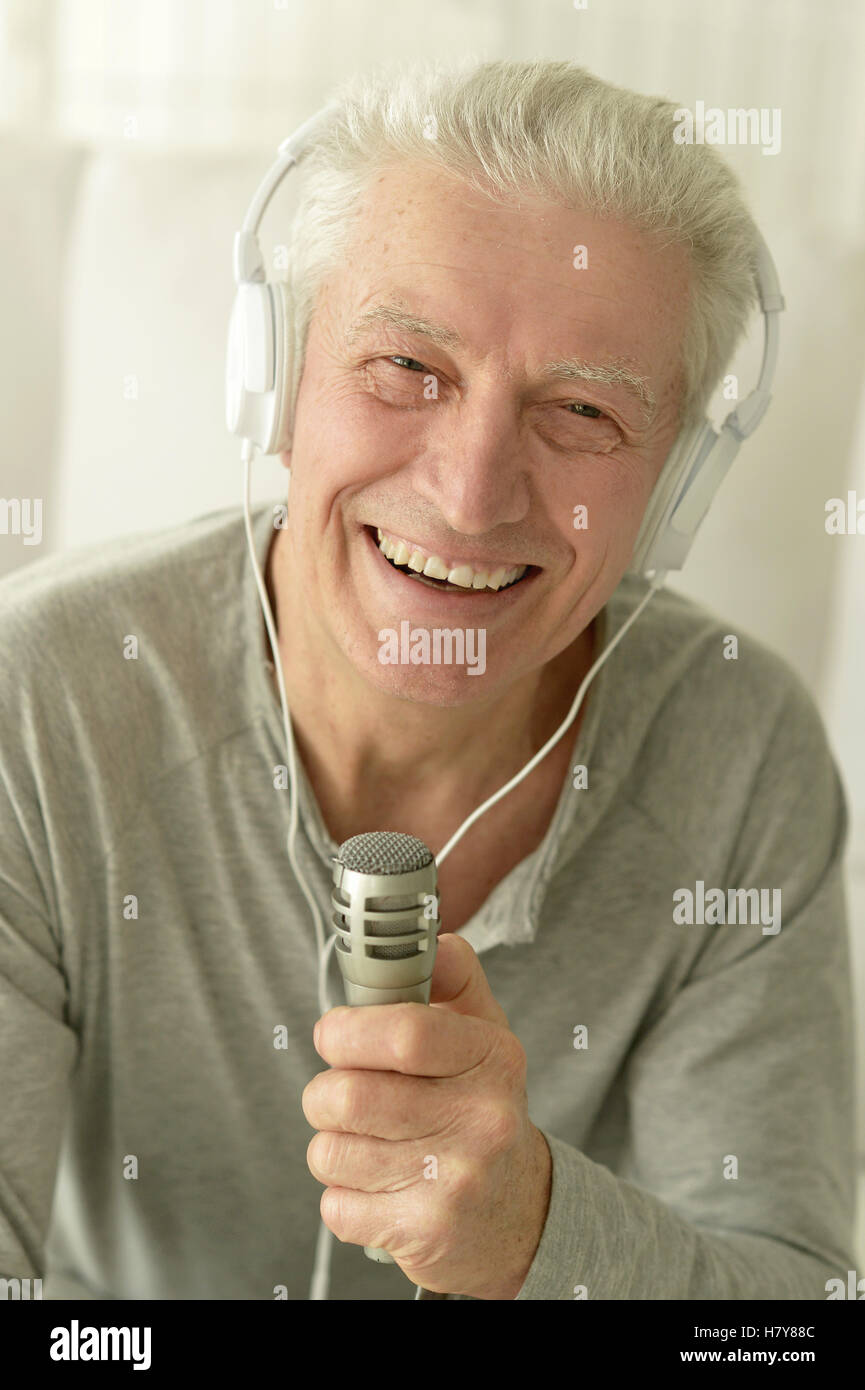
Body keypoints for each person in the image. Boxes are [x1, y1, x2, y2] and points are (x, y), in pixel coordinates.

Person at [0, 59, 855, 1301]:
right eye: (408, 366)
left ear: (675, 496)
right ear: (277, 382)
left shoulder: (742, 760)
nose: (467, 493)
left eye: (580, 411)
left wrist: (536, 1233)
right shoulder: (40, 705)